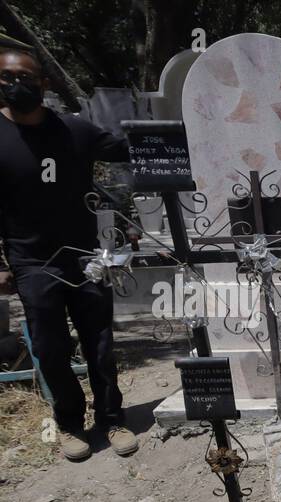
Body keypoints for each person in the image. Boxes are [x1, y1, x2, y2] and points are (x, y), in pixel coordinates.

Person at [0, 42, 137, 461]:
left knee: (99, 343)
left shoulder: (73, 129)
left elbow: (128, 154)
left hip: (86, 256)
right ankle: (70, 424)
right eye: (7, 78)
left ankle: (112, 420)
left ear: (43, 83)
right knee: (50, 348)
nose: (18, 84)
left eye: (26, 77)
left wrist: (125, 210)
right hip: (31, 262)